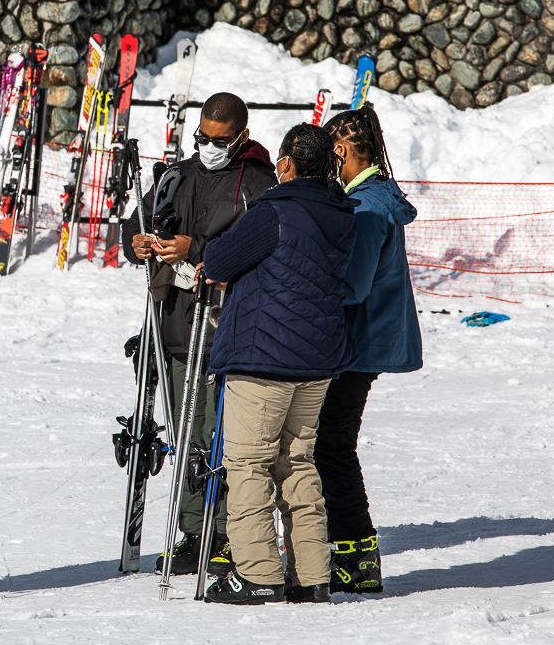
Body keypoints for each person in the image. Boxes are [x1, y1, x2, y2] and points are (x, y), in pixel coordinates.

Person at [200, 123, 358, 605]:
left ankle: (258, 572)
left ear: (286, 164)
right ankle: (312, 575)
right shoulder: (341, 212)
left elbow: (220, 262)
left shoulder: (274, 211)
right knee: (297, 461)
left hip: (264, 356)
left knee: (247, 463)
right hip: (317, 360)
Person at [121, 92, 277, 577]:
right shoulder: (176, 175)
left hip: (226, 326)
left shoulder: (258, 182)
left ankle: (229, 532)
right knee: (188, 435)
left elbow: (263, 246)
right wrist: (139, 241)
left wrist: (199, 247)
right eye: (202, 138)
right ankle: (194, 531)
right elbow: (138, 221)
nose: (209, 147)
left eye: (220, 140)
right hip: (174, 322)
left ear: (241, 137)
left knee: (223, 437)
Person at [318, 103, 421, 595]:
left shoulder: (365, 207)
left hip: (356, 344)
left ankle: (355, 553)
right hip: (364, 342)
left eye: (326, 155)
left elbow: (353, 287)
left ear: (340, 151)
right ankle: (347, 549)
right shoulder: (376, 194)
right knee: (330, 446)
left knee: (330, 447)